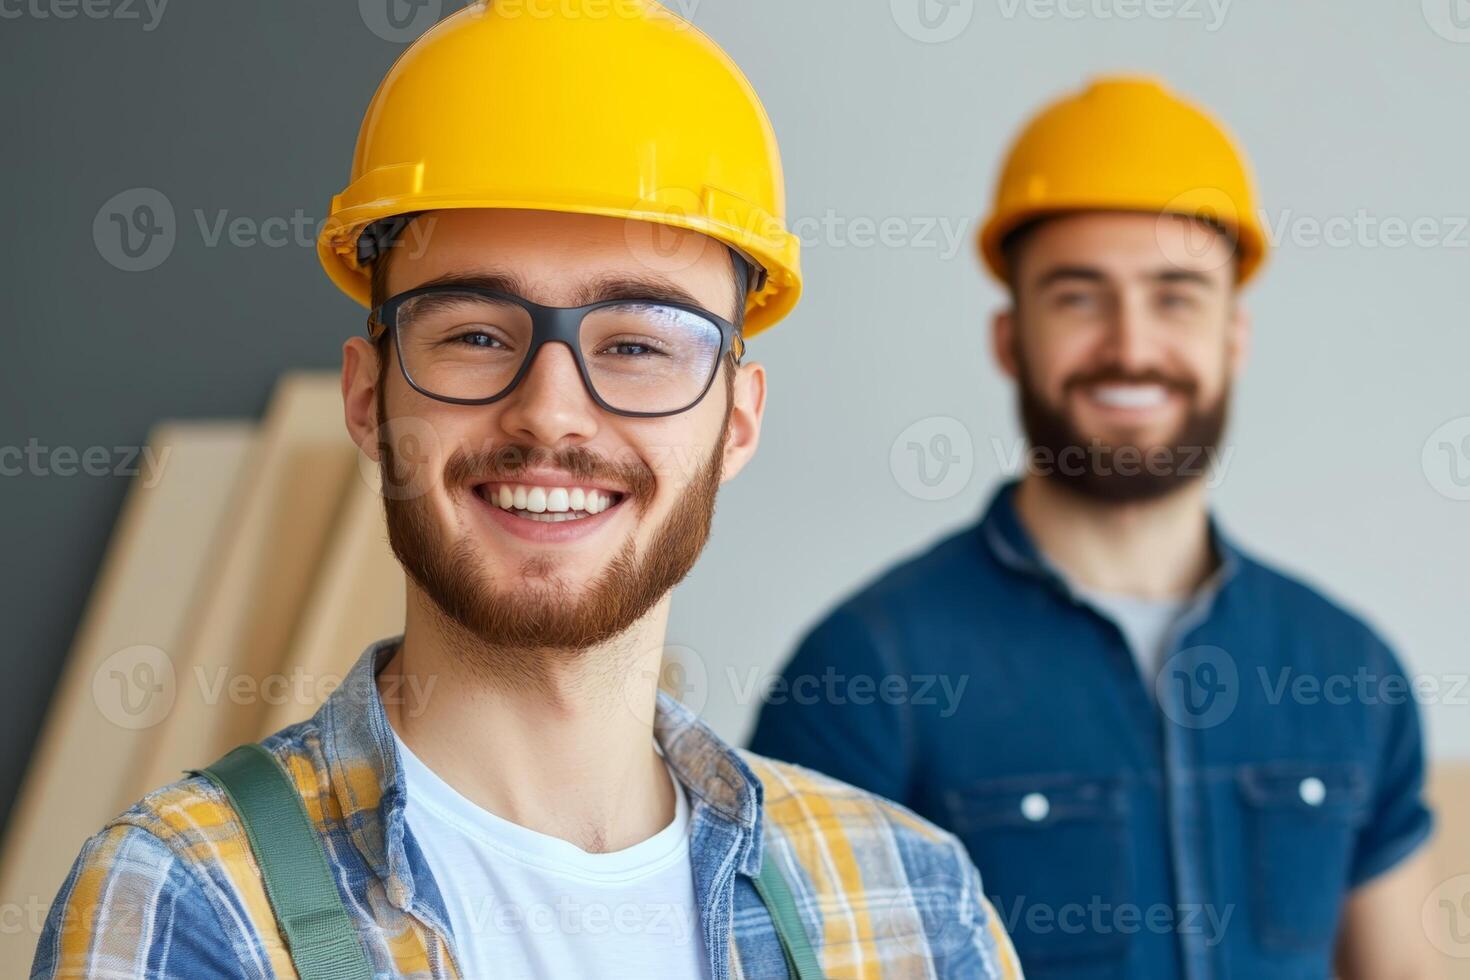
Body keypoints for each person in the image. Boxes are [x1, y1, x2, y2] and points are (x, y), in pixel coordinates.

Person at [31, 4, 1021, 978]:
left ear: (739, 420)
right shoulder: (191, 900)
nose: (551, 414)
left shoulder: (908, 906)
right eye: (474, 334)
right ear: (368, 396)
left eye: (636, 343)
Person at [750, 76, 1436, 979]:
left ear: (1234, 337)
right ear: (1010, 338)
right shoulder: (864, 673)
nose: (1131, 345)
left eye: (1176, 295)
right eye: (1079, 297)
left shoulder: (1350, 671)